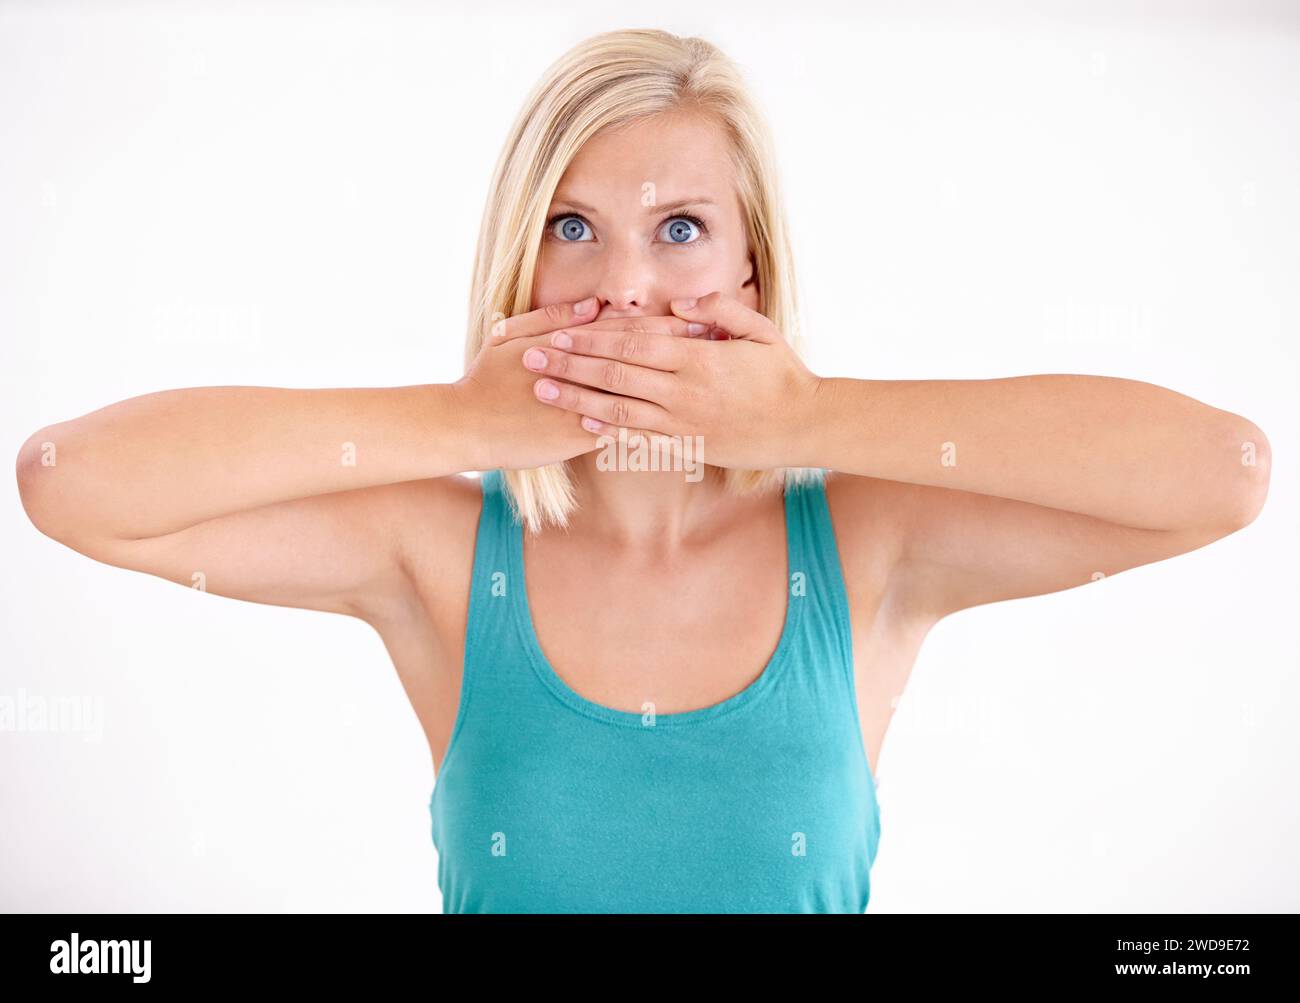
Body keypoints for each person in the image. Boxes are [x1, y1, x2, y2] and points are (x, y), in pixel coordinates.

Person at [15, 28, 1271, 914]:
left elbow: (1223, 471)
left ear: (750, 269)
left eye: (680, 229)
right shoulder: (440, 556)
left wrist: (811, 417)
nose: (622, 283)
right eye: (573, 228)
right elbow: (69, 480)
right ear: (521, 260)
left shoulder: (868, 546)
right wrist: (462, 423)